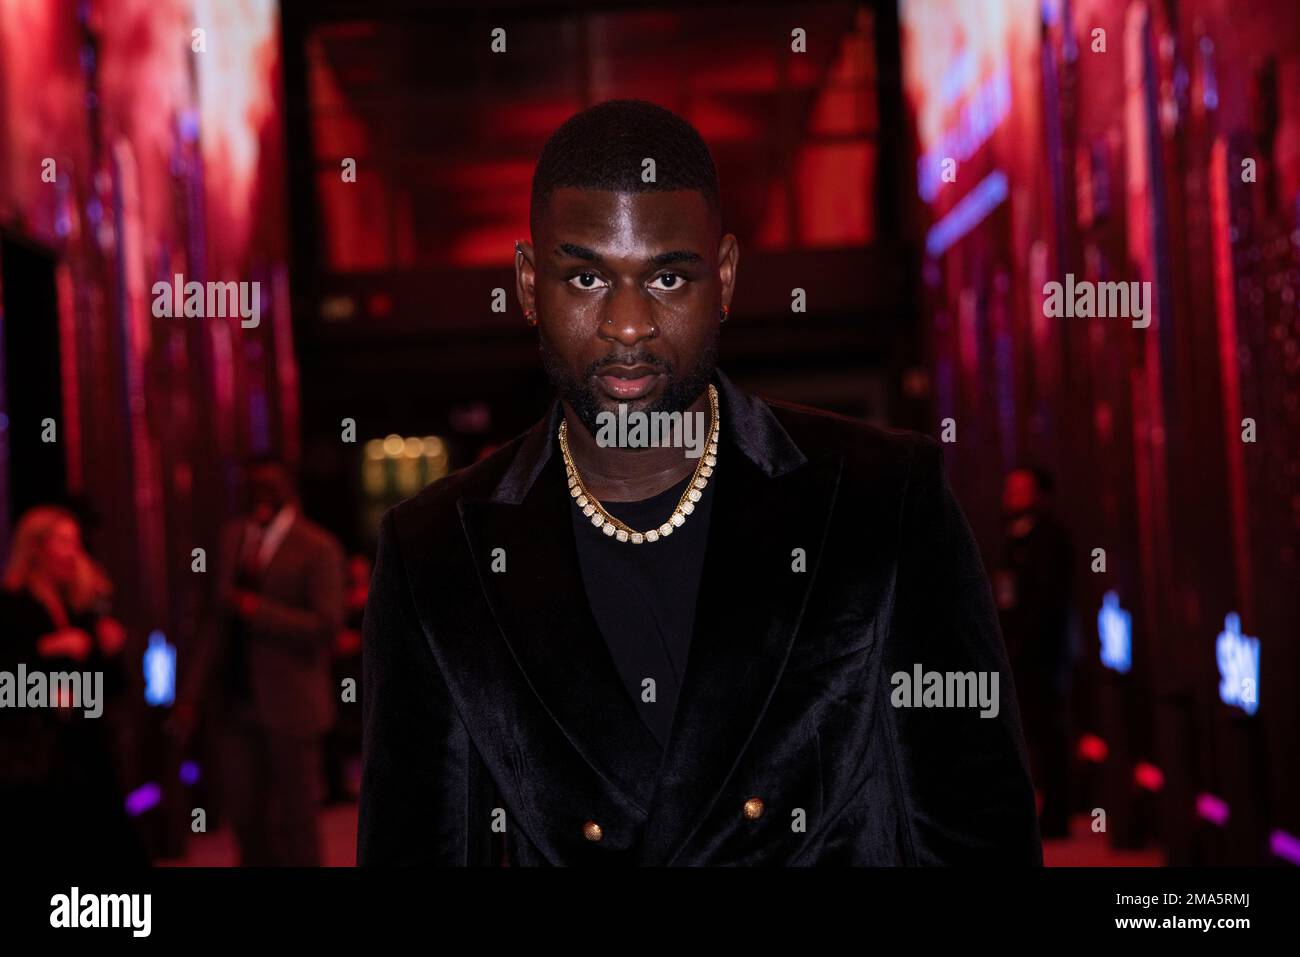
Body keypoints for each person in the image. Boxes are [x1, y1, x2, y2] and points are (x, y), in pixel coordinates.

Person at [357, 99, 1040, 866]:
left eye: (668, 277)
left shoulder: (883, 500)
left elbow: (978, 836)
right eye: (585, 276)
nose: (626, 323)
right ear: (525, 283)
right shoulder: (436, 555)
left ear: (723, 278)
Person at [175, 456, 345, 865]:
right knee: (246, 817)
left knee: (297, 819)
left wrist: (257, 611)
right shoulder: (233, 538)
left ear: (288, 487)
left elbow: (327, 626)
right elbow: (214, 625)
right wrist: (191, 695)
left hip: (292, 705)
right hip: (235, 702)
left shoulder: (317, 546)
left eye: (269, 484)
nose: (260, 493)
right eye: (252, 485)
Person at [0, 505, 145, 864]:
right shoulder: (12, 607)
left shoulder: (79, 606)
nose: (72, 552)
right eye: (62, 541)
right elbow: (7, 689)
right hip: (37, 760)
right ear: (36, 548)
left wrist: (107, 651)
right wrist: (44, 649)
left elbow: (106, 691)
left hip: (86, 751)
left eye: (75, 542)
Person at [994, 467, 1075, 839]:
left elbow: (1049, 601)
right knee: (1031, 731)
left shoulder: (1050, 539)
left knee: (1047, 731)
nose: (1013, 495)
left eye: (1021, 489)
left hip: (1042, 651)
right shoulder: (1012, 539)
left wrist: (1025, 639)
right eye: (1010, 488)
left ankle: (1058, 812)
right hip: (1017, 650)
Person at [324, 554, 369, 805]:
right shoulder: (338, 599)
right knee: (339, 727)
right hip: (342, 672)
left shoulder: (376, 595)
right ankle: (336, 785)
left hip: (364, 670)